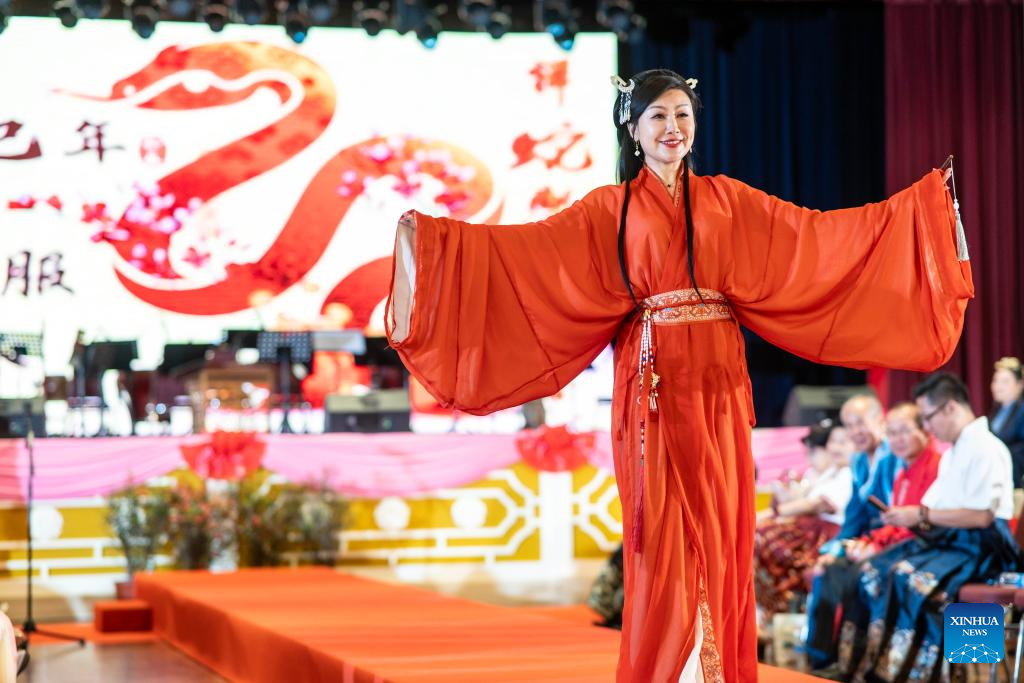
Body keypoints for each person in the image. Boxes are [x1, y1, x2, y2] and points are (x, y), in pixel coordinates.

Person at [384, 69, 972, 682]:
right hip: (653, 391)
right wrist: (433, 244)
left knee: (720, 525)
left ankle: (715, 669)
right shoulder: (608, 210)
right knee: (660, 533)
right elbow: (522, 258)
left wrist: (922, 209)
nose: (673, 128)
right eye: (658, 116)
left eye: (682, 115)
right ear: (633, 129)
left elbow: (819, 239)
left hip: (717, 382)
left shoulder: (729, 200)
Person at [835, 374, 1019, 681]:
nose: (928, 426)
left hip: (984, 547)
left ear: (949, 408)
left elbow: (982, 517)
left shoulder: (987, 447)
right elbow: (931, 513)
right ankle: (866, 669)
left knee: (910, 578)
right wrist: (910, 516)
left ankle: (921, 674)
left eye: (928, 417)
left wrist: (920, 513)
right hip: (952, 543)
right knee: (872, 571)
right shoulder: (953, 453)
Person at [803, 403, 941, 670]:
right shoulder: (904, 470)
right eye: (894, 432)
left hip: (944, 547)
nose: (897, 440)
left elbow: (926, 521)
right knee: (836, 568)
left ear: (926, 429)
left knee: (866, 574)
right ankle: (836, 661)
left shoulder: (936, 463)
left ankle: (871, 665)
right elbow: (894, 519)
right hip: (906, 543)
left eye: (903, 431)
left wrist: (874, 546)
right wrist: (857, 545)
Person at [754, 421, 853, 625]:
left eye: (843, 442)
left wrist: (772, 513)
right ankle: (765, 611)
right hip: (808, 529)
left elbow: (816, 505)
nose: (835, 448)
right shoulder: (829, 473)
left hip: (822, 535)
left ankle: (769, 611)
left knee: (760, 536)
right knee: (757, 536)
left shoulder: (848, 474)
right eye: (833, 442)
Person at [832, 395, 902, 542]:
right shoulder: (858, 461)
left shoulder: (896, 453)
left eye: (861, 423)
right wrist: (839, 545)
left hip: (897, 534)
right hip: (872, 534)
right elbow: (855, 510)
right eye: (849, 426)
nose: (856, 432)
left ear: (880, 421)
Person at [990, 356, 1024, 487]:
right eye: (996, 380)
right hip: (998, 475)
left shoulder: (1022, 410)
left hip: (1013, 478)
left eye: (1005, 382)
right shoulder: (996, 411)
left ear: (1020, 384)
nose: (998, 386)